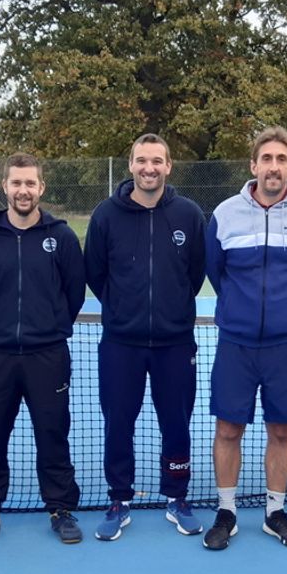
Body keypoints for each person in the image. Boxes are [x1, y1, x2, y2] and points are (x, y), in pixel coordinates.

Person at [202, 127, 287, 551]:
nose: (273, 167)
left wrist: (286, 311)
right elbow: (216, 272)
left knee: (281, 432)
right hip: (236, 344)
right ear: (253, 166)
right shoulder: (224, 213)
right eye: (266, 159)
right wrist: (241, 312)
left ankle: (275, 513)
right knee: (228, 429)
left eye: (281, 159)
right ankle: (227, 512)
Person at [0, 153, 87, 547]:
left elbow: (74, 292)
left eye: (30, 183)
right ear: (6, 187)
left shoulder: (62, 237)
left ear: (41, 188)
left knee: (52, 433)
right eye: (17, 183)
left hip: (48, 356)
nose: (23, 190)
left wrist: (47, 327)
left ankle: (60, 508)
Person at [84, 133, 206, 541]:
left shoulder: (189, 215)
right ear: (131, 165)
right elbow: (96, 275)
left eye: (157, 161)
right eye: (141, 161)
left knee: (177, 423)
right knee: (118, 423)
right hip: (122, 343)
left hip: (175, 343)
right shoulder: (105, 215)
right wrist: (124, 309)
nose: (149, 168)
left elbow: (195, 274)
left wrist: (169, 311)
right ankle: (119, 498)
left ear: (168, 166)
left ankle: (177, 497)